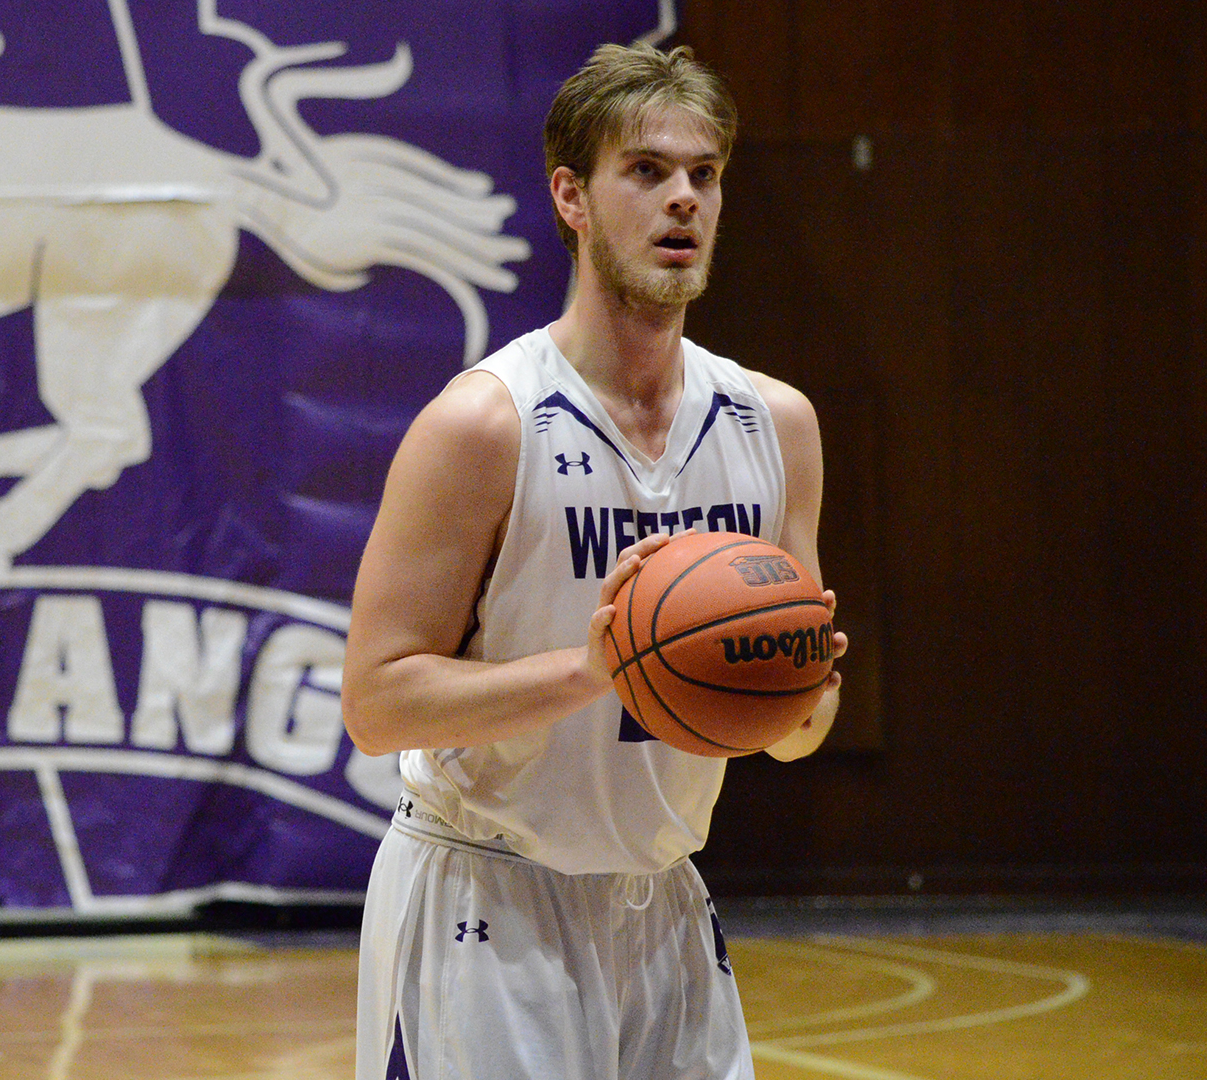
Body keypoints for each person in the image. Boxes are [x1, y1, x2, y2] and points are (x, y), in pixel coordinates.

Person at [341, 42, 848, 1080]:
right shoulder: (485, 423)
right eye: (648, 171)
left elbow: (801, 734)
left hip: (663, 902)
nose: (683, 202)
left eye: (704, 175)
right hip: (485, 904)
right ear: (571, 197)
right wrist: (595, 669)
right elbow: (378, 703)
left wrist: (797, 690)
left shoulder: (776, 424)